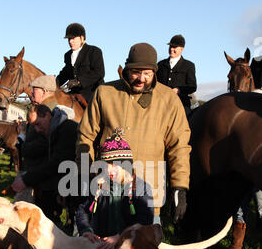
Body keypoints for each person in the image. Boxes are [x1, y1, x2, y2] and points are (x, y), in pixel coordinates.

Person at [76, 42, 191, 225]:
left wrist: (180, 187)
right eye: (136, 72)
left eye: (147, 73)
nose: (141, 78)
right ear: (127, 69)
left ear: (154, 72)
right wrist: (84, 173)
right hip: (106, 192)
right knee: (100, 248)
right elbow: (86, 135)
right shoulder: (105, 93)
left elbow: (179, 147)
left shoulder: (169, 100)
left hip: (148, 195)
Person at [76, 128, 154, 249]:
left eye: (115, 165)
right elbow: (83, 210)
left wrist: (121, 236)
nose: (110, 171)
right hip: (102, 245)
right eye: (106, 166)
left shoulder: (141, 188)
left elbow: (145, 222)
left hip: (132, 245)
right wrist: (86, 230)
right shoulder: (99, 184)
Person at [11, 104, 77, 225]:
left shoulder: (67, 129)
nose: (37, 129)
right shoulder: (55, 130)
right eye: (34, 126)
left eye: (38, 124)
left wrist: (26, 180)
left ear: (47, 115)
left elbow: (57, 162)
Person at [56, 23, 105, 103]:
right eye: (69, 39)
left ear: (82, 38)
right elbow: (64, 74)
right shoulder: (68, 55)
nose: (70, 41)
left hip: (92, 93)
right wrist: (52, 84)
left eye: (73, 38)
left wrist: (79, 81)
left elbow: (99, 73)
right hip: (74, 94)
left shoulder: (94, 51)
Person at [156, 35, 197, 117]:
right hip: (161, 103)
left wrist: (179, 90)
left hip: (181, 103)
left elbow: (192, 86)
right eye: (170, 46)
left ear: (181, 49)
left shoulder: (189, 65)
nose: (171, 49)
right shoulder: (160, 65)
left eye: (174, 47)